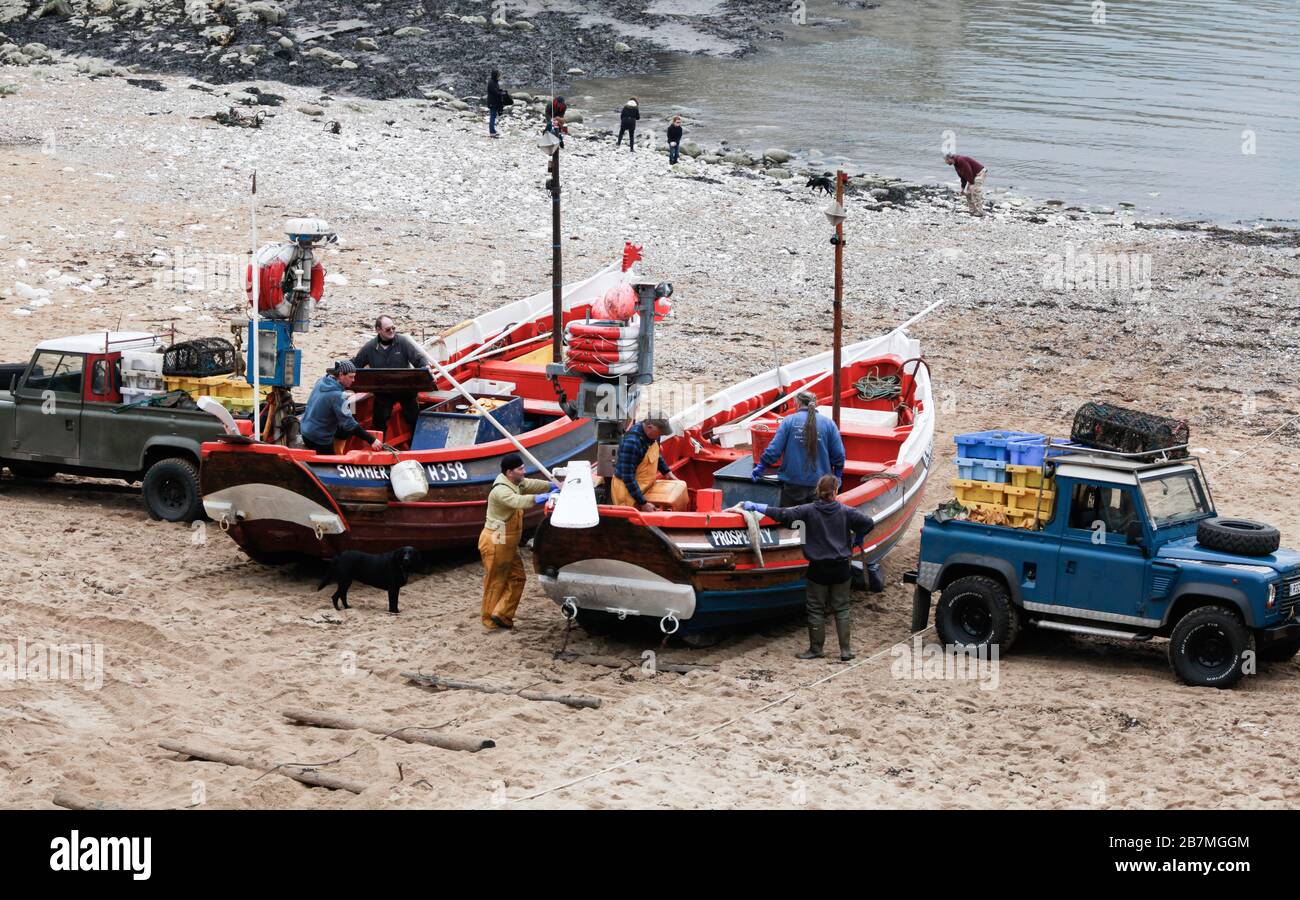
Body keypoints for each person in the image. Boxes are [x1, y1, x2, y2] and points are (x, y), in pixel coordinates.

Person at [744, 474, 874, 660]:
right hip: (840, 568)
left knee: (815, 609)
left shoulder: (808, 511)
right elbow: (868, 523)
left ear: (817, 492)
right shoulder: (846, 511)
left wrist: (758, 507)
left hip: (818, 568)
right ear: (836, 492)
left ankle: (816, 649)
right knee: (842, 608)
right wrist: (859, 536)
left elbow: (783, 514)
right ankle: (845, 650)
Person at [478, 453, 557, 630]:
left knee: (518, 578)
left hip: (507, 543)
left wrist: (553, 485)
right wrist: (540, 498)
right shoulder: (500, 490)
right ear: (509, 472)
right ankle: (490, 620)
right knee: (495, 581)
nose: (524, 471)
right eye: (520, 469)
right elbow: (517, 501)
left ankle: (502, 614)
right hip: (495, 541)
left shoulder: (517, 482)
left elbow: (532, 484)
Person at [753, 391, 846, 506]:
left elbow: (774, 450)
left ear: (797, 403)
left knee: (792, 520)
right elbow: (839, 455)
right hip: (821, 485)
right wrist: (837, 476)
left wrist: (761, 467)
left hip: (792, 484)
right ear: (815, 403)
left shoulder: (788, 421)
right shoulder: (829, 424)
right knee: (816, 520)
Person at [352, 315, 433, 440]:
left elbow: (419, 359)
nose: (392, 331)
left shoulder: (403, 342)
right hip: (383, 391)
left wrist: (426, 366)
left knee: (413, 419)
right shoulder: (369, 348)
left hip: (406, 388)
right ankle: (380, 447)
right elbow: (356, 364)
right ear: (378, 330)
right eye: (388, 329)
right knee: (379, 422)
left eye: (393, 328)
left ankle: (417, 444)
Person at [299, 361, 384, 455]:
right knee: (348, 426)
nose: (354, 380)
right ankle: (337, 454)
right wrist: (372, 440)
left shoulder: (322, 381)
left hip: (305, 430)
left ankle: (339, 451)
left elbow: (332, 400)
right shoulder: (338, 396)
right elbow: (350, 424)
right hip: (318, 440)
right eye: (351, 377)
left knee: (344, 429)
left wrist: (346, 397)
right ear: (340, 375)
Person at [611, 412, 679, 511]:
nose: (660, 435)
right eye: (660, 433)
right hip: (628, 494)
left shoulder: (651, 435)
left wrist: (667, 472)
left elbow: (655, 455)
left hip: (645, 488)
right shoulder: (632, 443)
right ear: (650, 427)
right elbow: (628, 477)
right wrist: (643, 503)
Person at [945, 152, 987, 217]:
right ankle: (973, 211)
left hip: (980, 173)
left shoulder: (961, 160)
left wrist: (972, 183)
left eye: (946, 161)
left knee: (975, 191)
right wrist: (962, 188)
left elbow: (968, 170)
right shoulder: (956, 164)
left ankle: (980, 212)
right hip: (972, 176)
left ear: (950, 159)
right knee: (968, 193)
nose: (946, 163)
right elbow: (963, 176)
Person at [486, 69, 512, 138]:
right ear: (495, 75)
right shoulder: (491, 82)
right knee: (492, 117)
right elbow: (495, 92)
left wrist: (501, 91)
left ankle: (493, 131)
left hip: (494, 102)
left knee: (494, 116)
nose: (499, 76)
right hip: (492, 102)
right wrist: (501, 93)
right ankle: (492, 132)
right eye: (498, 75)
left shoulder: (495, 82)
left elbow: (496, 91)